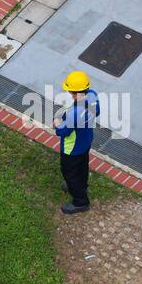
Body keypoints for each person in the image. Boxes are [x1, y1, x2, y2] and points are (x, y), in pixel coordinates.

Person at [53, 70, 100, 215]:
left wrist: (57, 122)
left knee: (69, 173)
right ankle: (82, 185)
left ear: (74, 92)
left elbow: (62, 132)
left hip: (71, 149)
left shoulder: (74, 114)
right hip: (85, 141)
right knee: (82, 165)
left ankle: (80, 201)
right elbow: (96, 112)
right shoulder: (92, 95)